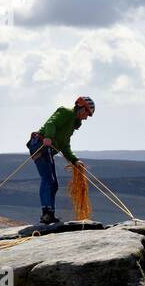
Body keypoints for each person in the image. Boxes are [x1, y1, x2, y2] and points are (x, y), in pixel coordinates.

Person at [28, 96, 95, 224]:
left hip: (45, 148)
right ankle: (46, 213)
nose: (86, 117)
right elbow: (51, 123)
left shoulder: (71, 125)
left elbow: (65, 145)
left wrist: (74, 160)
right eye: (87, 113)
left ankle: (49, 214)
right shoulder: (66, 112)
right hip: (40, 145)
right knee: (48, 179)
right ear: (81, 108)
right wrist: (48, 137)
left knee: (53, 183)